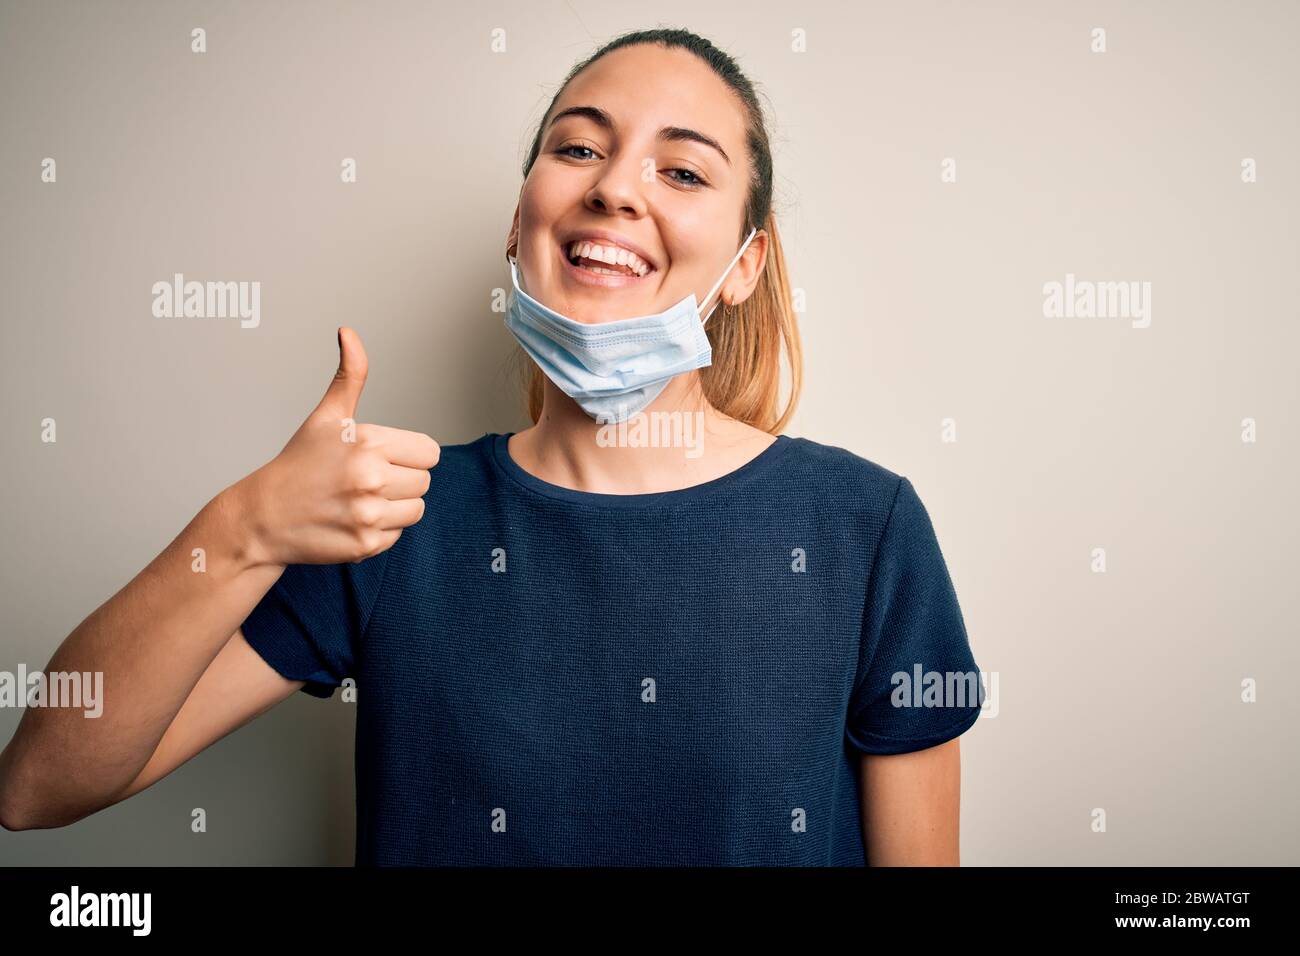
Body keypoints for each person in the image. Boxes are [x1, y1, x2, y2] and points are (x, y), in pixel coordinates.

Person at [0, 28, 984, 865]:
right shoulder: (390, 515)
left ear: (745, 265)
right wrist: (246, 524)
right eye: (577, 149)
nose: (615, 190)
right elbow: (38, 785)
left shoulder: (863, 527)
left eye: (680, 169)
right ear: (521, 220)